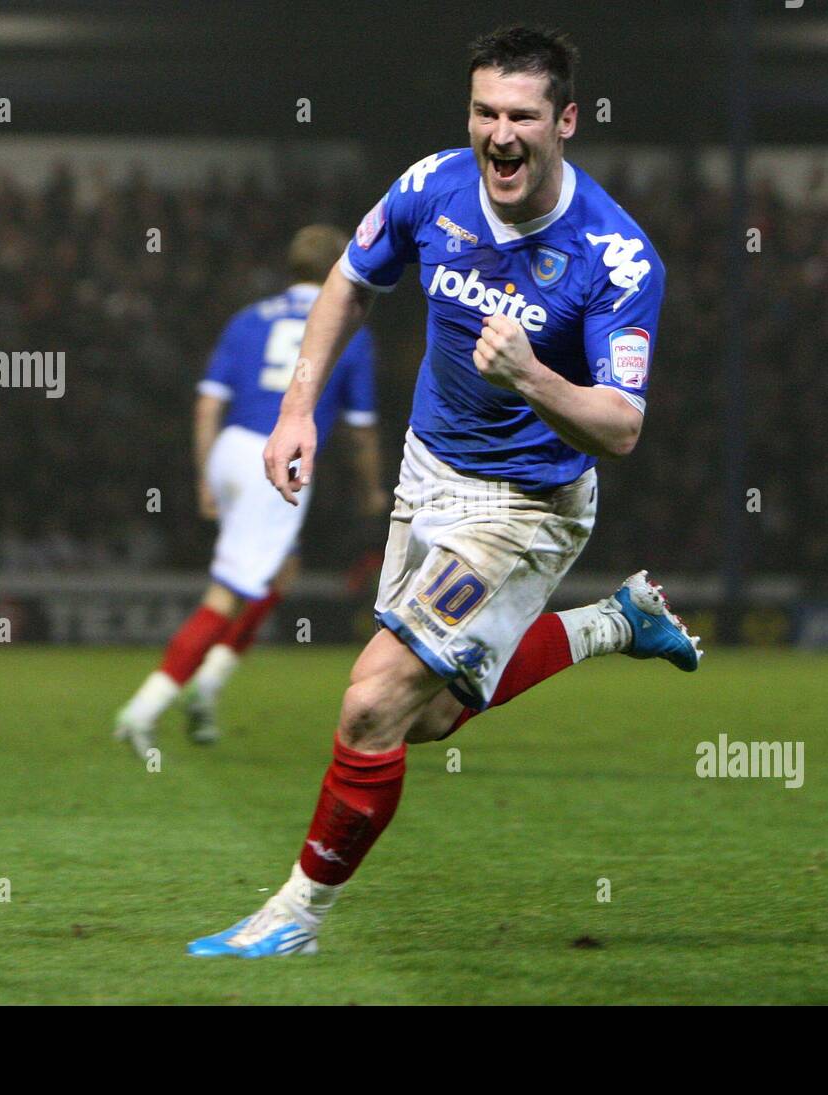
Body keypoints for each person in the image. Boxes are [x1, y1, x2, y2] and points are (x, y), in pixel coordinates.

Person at [187, 26, 700, 959]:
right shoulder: (432, 187)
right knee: (425, 716)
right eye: (485, 113)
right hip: (429, 477)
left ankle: (294, 915)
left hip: (525, 505)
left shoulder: (617, 258)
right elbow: (348, 280)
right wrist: (297, 408)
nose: (500, 135)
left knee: (373, 702)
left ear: (567, 123)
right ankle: (614, 622)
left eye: (523, 117)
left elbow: (622, 426)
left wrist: (533, 376)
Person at [115, 225, 387, 757]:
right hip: (277, 459)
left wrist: (204, 477)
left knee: (280, 569)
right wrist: (372, 488)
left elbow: (207, 404)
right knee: (229, 592)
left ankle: (207, 687)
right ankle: (142, 711)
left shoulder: (247, 319)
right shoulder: (349, 325)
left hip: (231, 449)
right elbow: (361, 428)